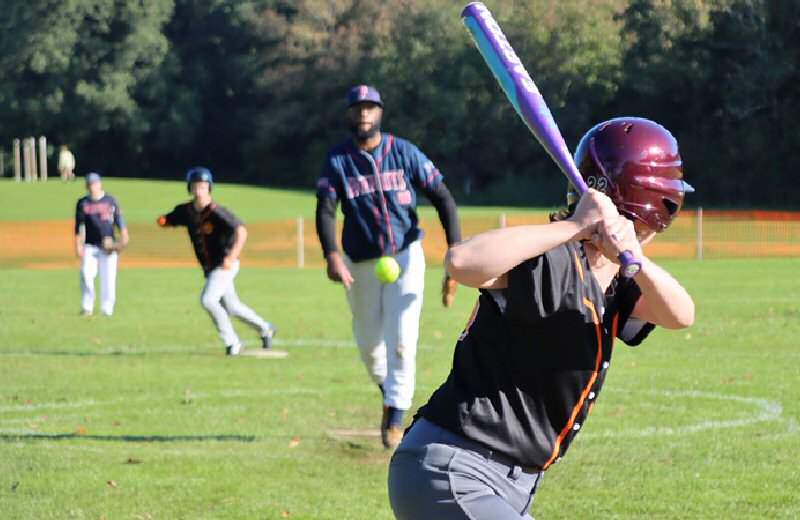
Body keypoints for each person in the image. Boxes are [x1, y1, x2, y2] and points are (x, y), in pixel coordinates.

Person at [387, 117, 696, 519]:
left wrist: (633, 258)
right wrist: (574, 227)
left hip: (506, 485)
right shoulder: (548, 258)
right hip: (452, 471)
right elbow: (461, 262)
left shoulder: (621, 280)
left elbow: (681, 315)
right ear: (653, 206)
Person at [315, 85, 462, 449]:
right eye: (358, 108)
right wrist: (331, 253)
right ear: (350, 115)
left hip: (406, 254)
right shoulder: (338, 161)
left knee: (402, 339)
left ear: (380, 112)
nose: (364, 113)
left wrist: (454, 249)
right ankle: (388, 391)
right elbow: (325, 209)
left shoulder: (404, 151)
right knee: (370, 346)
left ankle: (395, 415)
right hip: (360, 261)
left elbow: (442, 195)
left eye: (371, 107)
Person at [157, 167, 276, 356]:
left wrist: (232, 255)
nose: (199, 191)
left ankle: (233, 343)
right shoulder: (187, 211)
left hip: (225, 264)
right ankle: (265, 328)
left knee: (208, 300)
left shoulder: (216, 212)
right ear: (190, 188)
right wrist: (163, 221)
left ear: (209, 188)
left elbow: (241, 230)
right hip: (211, 268)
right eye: (195, 186)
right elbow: (169, 218)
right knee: (232, 306)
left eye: (203, 187)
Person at [75, 172, 129, 316]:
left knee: (109, 278)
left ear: (100, 184)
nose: (92, 187)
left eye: (94, 184)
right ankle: (87, 306)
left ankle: (107, 309)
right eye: (90, 184)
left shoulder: (110, 200)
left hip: (108, 246)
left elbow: (118, 219)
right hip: (90, 245)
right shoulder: (83, 203)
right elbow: (79, 225)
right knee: (86, 274)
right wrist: (78, 243)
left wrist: (124, 234)